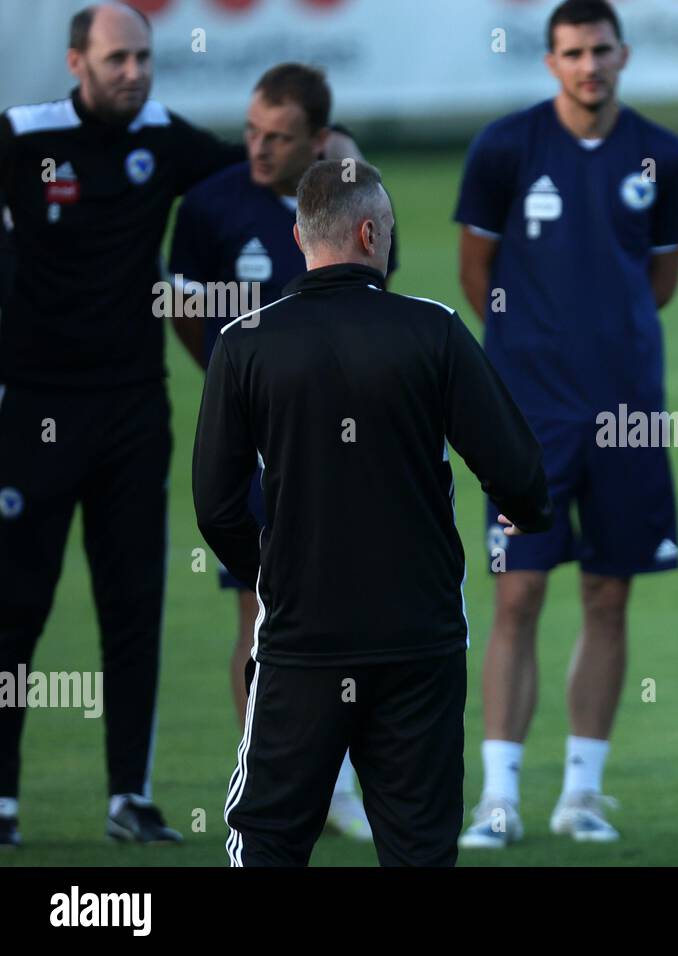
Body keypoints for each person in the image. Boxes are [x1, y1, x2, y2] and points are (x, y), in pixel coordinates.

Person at [194, 159, 552, 867]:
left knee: (268, 837)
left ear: (300, 236)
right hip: (420, 638)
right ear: (369, 233)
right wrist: (520, 509)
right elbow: (518, 471)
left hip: (302, 641)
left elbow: (215, 504)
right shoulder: (434, 331)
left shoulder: (244, 342)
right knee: (419, 845)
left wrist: (273, 574)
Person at [453, 0, 678, 848]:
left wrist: (612, 341)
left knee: (608, 592)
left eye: (601, 50)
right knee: (517, 592)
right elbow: (475, 273)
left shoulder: (663, 153)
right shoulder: (505, 146)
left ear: (623, 54)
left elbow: (661, 277)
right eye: (572, 52)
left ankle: (581, 795)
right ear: (550, 61)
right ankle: (498, 798)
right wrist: (530, 356)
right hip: (526, 414)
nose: (589, 65)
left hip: (628, 409)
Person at [0, 1, 245, 848]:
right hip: (32, 409)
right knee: (15, 605)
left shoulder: (167, 139)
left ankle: (129, 799)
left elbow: (260, 176)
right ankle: (1, 801)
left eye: (143, 57)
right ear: (76, 63)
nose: (134, 73)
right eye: (116, 60)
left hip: (135, 411)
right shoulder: (21, 138)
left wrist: (334, 152)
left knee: (133, 604)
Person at [169, 62, 397, 842]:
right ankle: (275, 778)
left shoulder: (348, 205)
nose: (260, 151)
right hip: (261, 445)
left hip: (347, 443)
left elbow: (375, 304)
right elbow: (186, 308)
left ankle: (348, 785)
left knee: (354, 603)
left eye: (280, 138)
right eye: (252, 134)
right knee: (261, 608)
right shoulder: (209, 206)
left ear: (319, 140)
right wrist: (243, 395)